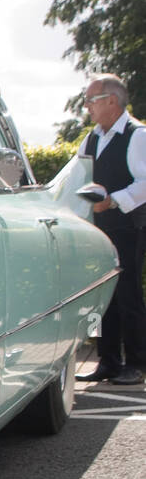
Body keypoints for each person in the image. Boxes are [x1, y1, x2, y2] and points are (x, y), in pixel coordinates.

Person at [75, 73, 146, 385]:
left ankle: (137, 363)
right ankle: (108, 360)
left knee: (129, 295)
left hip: (127, 228)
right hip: (97, 231)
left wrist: (113, 201)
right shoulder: (92, 138)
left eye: (92, 100)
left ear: (112, 101)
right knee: (102, 298)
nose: (87, 106)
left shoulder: (137, 135)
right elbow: (76, 179)